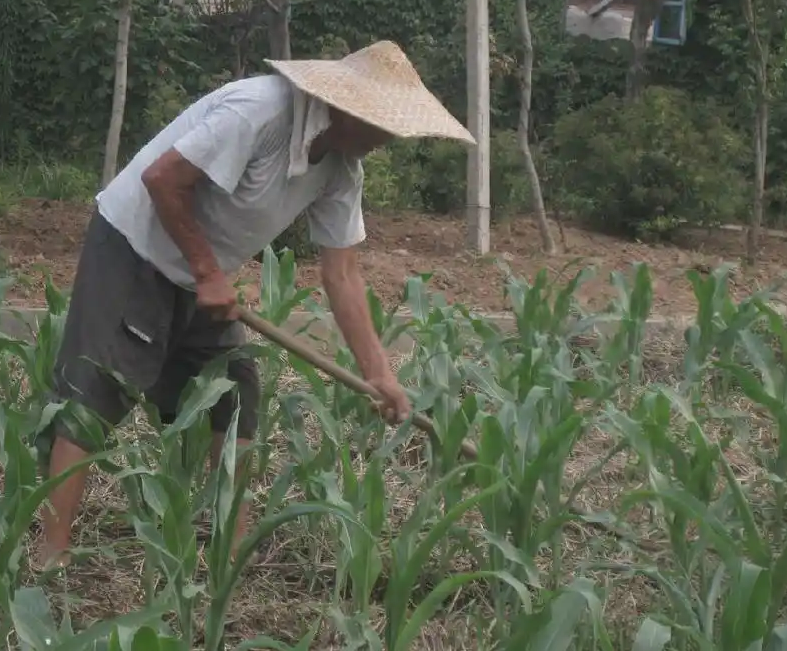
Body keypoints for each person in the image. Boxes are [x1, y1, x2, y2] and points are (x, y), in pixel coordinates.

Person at [34, 40, 475, 570]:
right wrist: (206, 272)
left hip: (203, 272)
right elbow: (162, 178)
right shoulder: (261, 110)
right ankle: (48, 555)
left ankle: (232, 544)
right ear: (348, 108)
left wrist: (379, 372)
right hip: (135, 247)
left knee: (234, 391)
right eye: (383, 124)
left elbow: (342, 273)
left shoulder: (341, 169)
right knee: (96, 391)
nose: (388, 139)